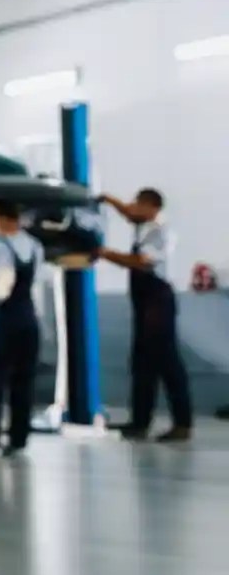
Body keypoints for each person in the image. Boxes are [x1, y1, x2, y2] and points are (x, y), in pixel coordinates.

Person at [97, 188, 192, 442]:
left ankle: (182, 423)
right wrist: (107, 199)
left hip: (157, 301)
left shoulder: (160, 231)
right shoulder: (144, 225)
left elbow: (141, 262)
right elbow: (128, 213)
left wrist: (106, 254)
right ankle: (139, 422)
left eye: (137, 204)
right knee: (142, 363)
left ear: (151, 207)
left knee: (167, 361)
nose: (131, 209)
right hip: (144, 302)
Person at [0, 200, 44, 455]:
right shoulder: (35, 246)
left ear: (2, 219)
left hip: (6, 318)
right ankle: (18, 439)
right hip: (30, 319)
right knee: (23, 382)